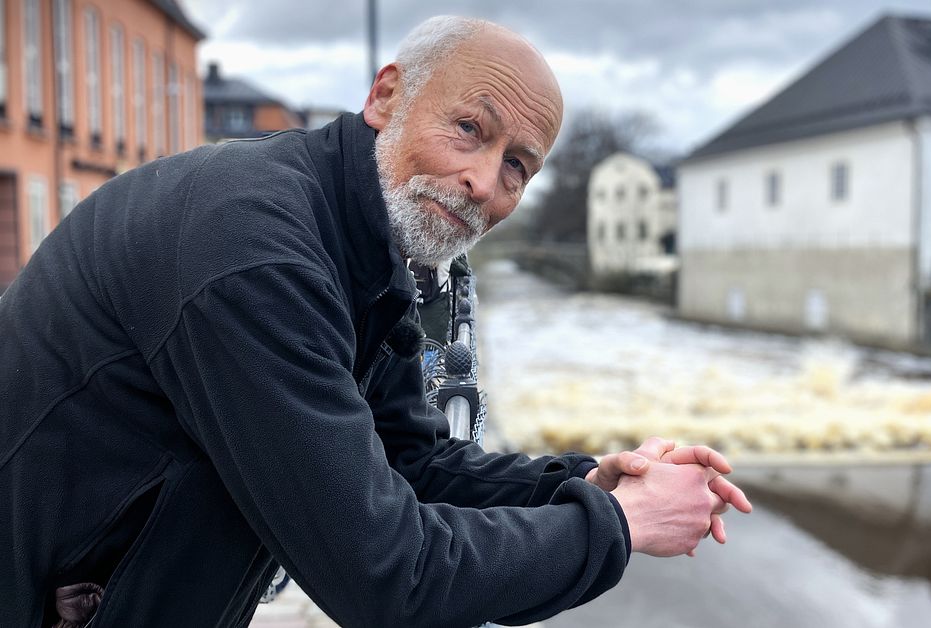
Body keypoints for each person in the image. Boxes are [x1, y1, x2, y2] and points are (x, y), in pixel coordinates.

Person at [0, 15, 750, 628]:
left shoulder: (361, 249)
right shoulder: (257, 250)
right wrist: (615, 527)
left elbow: (411, 467)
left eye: (518, 166)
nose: (484, 183)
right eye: (468, 128)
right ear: (386, 96)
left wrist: (588, 481)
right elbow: (386, 576)